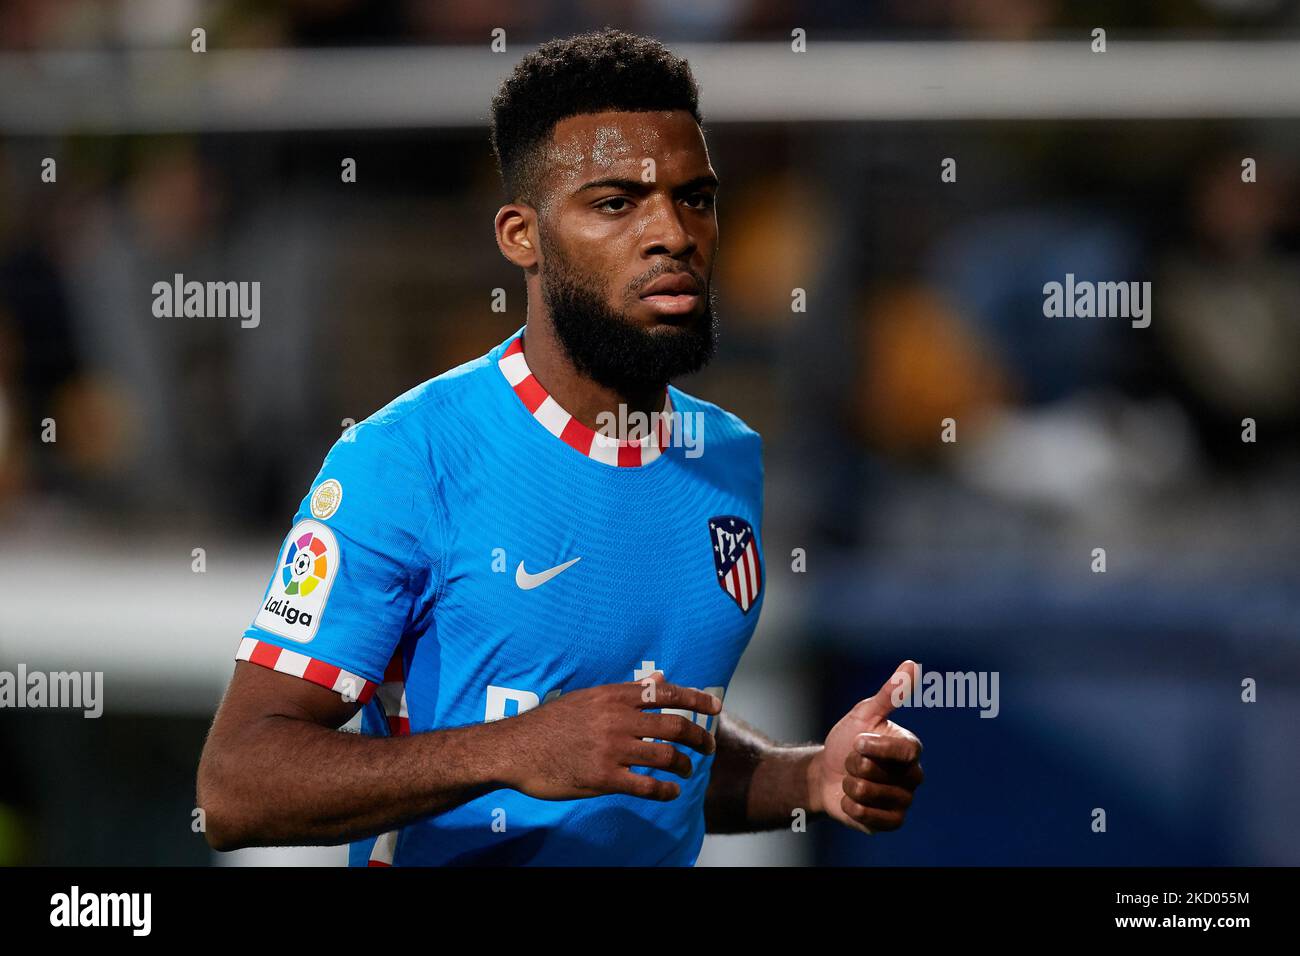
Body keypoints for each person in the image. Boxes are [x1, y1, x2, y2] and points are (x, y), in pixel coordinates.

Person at [196, 28, 923, 866]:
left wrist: (808, 778)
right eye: (616, 204)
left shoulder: (727, 460)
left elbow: (641, 752)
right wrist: (515, 750)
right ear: (521, 236)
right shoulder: (403, 461)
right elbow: (235, 787)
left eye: (695, 198)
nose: (673, 235)